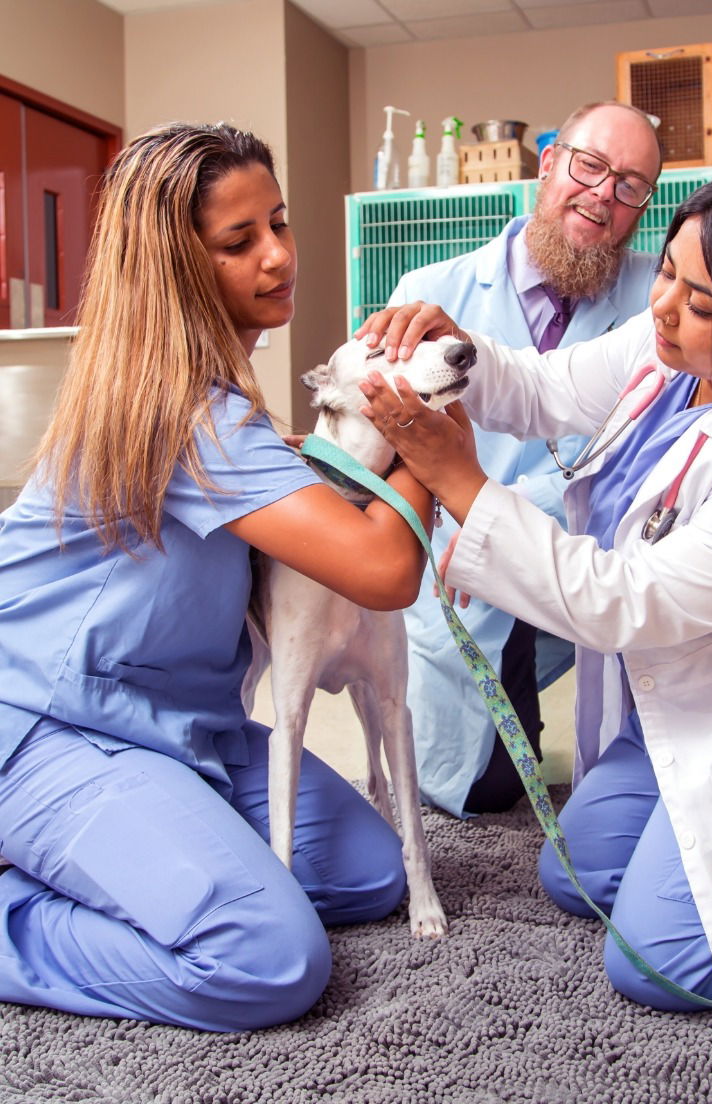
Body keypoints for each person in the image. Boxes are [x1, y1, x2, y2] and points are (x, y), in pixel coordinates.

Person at [356, 143, 712, 1046]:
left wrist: (461, 482)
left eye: (699, 301)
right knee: (574, 876)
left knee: (656, 960)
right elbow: (548, 386)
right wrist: (460, 352)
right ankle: (697, 831)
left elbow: (624, 601)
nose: (662, 308)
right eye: (667, 272)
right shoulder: (676, 342)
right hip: (690, 702)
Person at [0, 122, 436, 1032]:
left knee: (369, 872)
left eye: (278, 224)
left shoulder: (231, 411)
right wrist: (425, 437)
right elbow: (384, 571)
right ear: (175, 267)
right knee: (266, 956)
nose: (279, 256)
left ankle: (128, 849)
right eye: (240, 242)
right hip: (47, 725)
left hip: (178, 726)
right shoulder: (191, 416)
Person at [389, 101, 663, 817]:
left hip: (598, 562)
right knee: (486, 790)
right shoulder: (432, 294)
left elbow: (643, 456)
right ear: (549, 164)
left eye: (630, 185)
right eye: (591, 166)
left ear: (643, 206)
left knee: (645, 757)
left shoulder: (661, 299)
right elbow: (402, 451)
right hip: (464, 574)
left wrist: (510, 513)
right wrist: (478, 531)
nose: (604, 194)